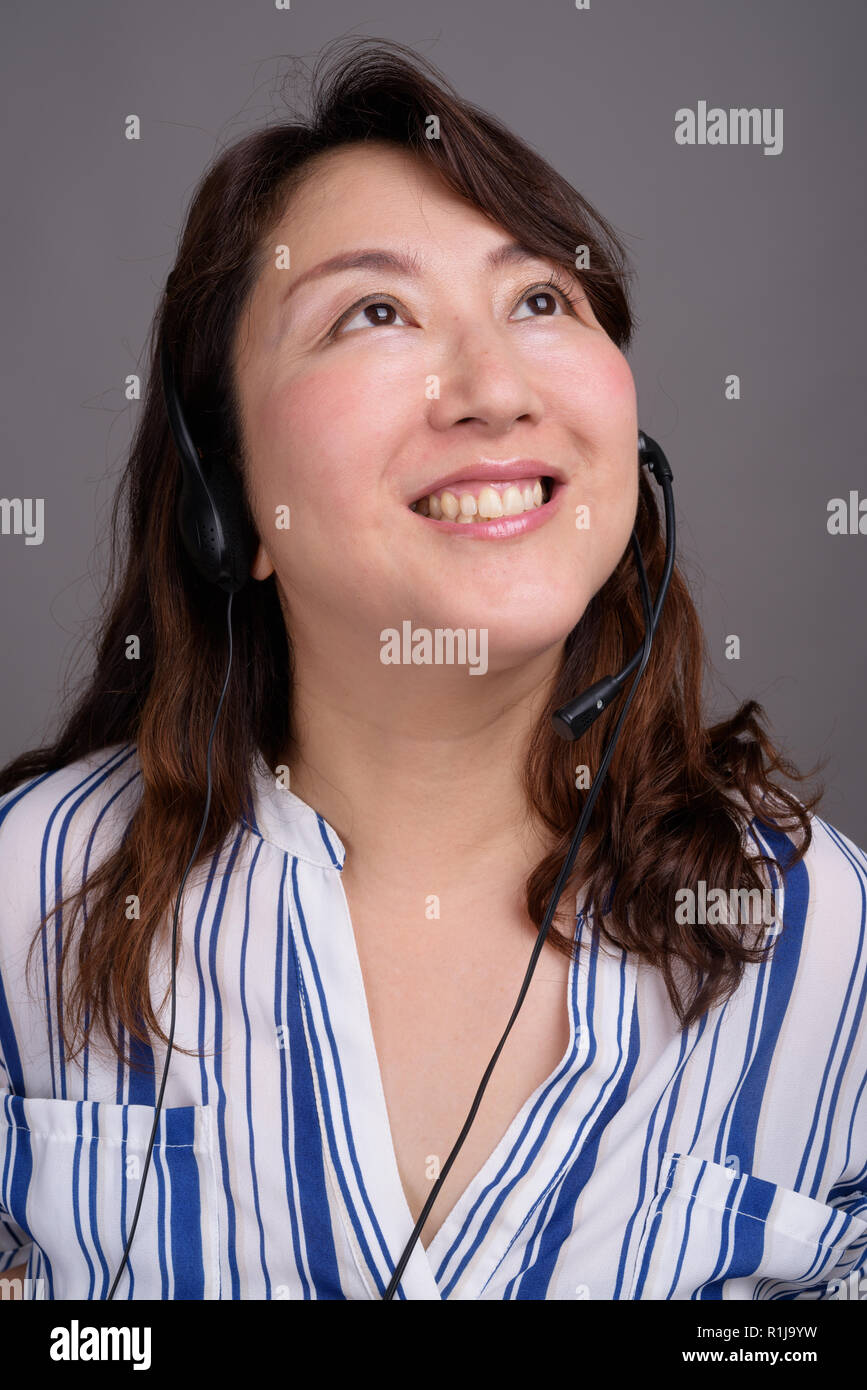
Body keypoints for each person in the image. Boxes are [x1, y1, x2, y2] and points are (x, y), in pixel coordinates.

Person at [1, 37, 864, 1302]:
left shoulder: (831, 942)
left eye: (539, 300)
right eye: (375, 312)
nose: (495, 389)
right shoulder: (25, 900)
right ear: (225, 504)